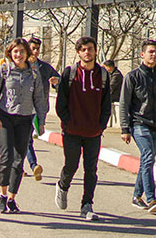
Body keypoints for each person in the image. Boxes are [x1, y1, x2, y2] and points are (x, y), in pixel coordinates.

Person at [0, 38, 49, 214]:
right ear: (10, 53)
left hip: (25, 119)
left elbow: (39, 99)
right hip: (5, 118)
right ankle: (2, 195)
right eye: (15, 52)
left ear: (27, 54)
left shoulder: (34, 74)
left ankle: (12, 198)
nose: (18, 55)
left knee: (19, 159)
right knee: (6, 156)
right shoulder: (4, 70)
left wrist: (41, 121)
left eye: (22, 51)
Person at [53, 36, 111, 221]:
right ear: (78, 52)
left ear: (95, 51)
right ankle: (63, 185)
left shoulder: (102, 75)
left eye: (90, 49)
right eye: (84, 49)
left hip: (93, 132)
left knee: (91, 169)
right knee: (71, 165)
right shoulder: (70, 73)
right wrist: (68, 122)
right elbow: (60, 103)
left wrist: (101, 125)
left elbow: (106, 103)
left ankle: (87, 205)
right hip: (72, 131)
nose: (87, 52)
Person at [120, 39, 156, 214]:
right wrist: (124, 128)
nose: (154, 55)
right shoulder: (132, 77)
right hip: (139, 124)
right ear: (142, 54)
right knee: (147, 156)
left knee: (148, 160)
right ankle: (151, 198)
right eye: (150, 52)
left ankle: (137, 196)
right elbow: (124, 104)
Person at [25, 36, 59, 180]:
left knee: (26, 138)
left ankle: (27, 166)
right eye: (33, 48)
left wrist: (56, 82)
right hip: (22, 108)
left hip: (38, 108)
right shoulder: (21, 66)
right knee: (25, 139)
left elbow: (59, 79)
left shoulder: (44, 67)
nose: (36, 51)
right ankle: (32, 166)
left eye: (38, 49)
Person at [103, 59, 123, 127]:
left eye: (105, 67)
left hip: (115, 97)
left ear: (109, 67)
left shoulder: (116, 75)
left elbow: (111, 87)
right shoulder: (110, 74)